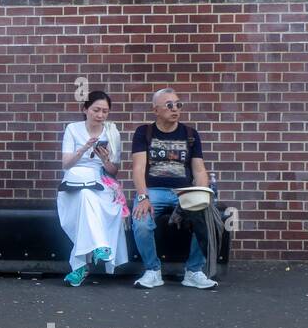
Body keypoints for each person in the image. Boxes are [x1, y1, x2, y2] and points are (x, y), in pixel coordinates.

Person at [130, 88, 217, 289]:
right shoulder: (144, 132)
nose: (175, 109)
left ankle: (194, 271)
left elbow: (199, 170)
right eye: (169, 105)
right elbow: (138, 168)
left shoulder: (190, 134)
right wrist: (143, 197)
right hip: (154, 190)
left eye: (178, 104)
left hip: (184, 192)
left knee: (207, 218)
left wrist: (201, 193)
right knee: (141, 222)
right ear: (156, 110)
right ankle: (152, 270)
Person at [57, 91, 130, 287]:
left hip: (100, 182)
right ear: (85, 109)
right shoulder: (72, 129)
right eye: (96, 110)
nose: (100, 115)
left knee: (87, 197)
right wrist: (84, 149)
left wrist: (105, 158)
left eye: (105, 111)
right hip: (73, 182)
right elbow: (66, 164)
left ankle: (80, 266)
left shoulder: (112, 133)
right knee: (84, 196)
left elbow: (114, 171)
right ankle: (100, 245)